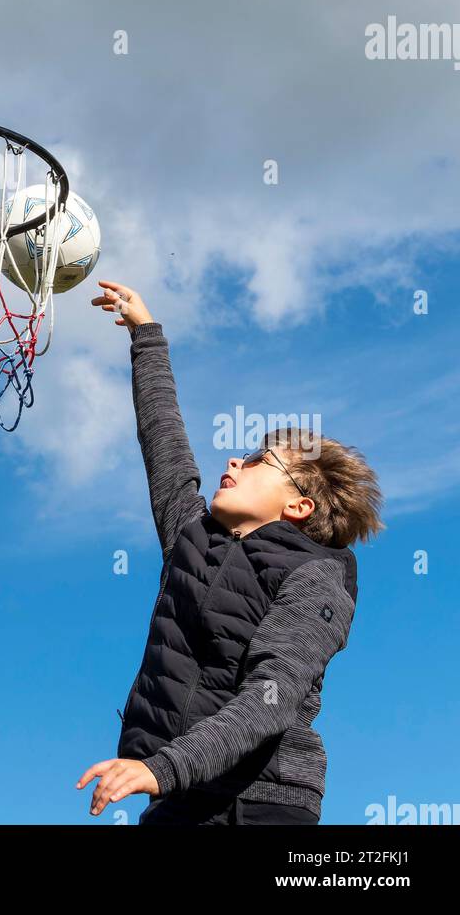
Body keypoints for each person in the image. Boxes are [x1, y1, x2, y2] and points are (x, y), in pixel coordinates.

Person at [77, 283, 384, 825]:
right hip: (175, 794)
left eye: (258, 460)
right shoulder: (192, 536)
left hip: (261, 801)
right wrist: (146, 336)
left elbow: (274, 695)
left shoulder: (315, 578)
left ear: (298, 505)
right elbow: (164, 443)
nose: (234, 462)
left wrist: (164, 767)